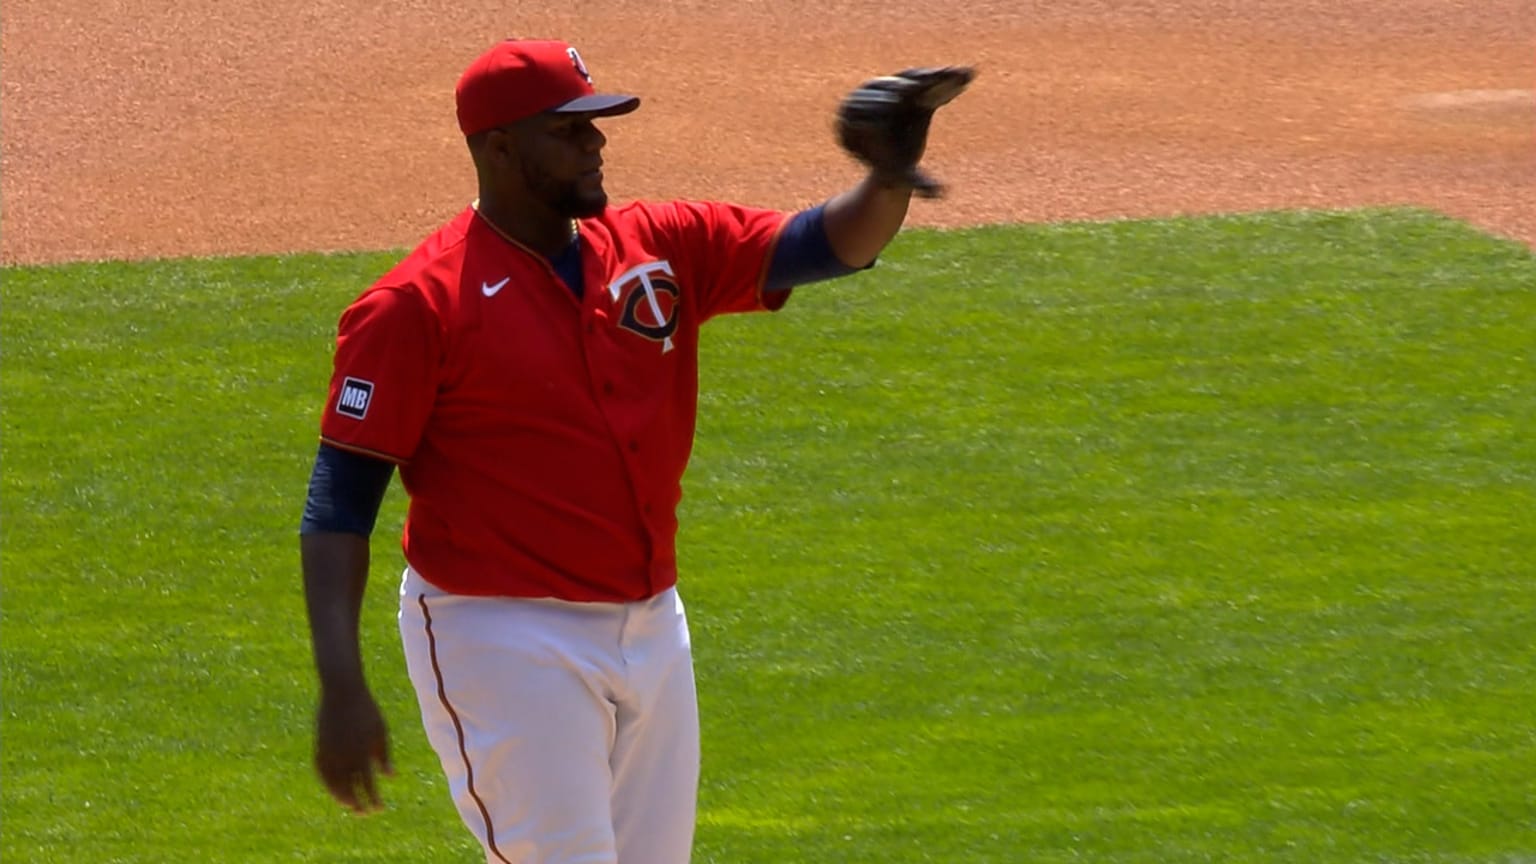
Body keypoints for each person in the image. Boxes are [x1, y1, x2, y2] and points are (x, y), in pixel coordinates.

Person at [299, 37, 971, 864]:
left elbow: (832, 245)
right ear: (499, 148)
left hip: (653, 622)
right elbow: (339, 501)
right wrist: (340, 682)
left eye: (598, 124)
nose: (597, 142)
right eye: (570, 129)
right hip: (502, 635)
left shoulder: (658, 241)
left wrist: (889, 177)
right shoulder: (415, 305)